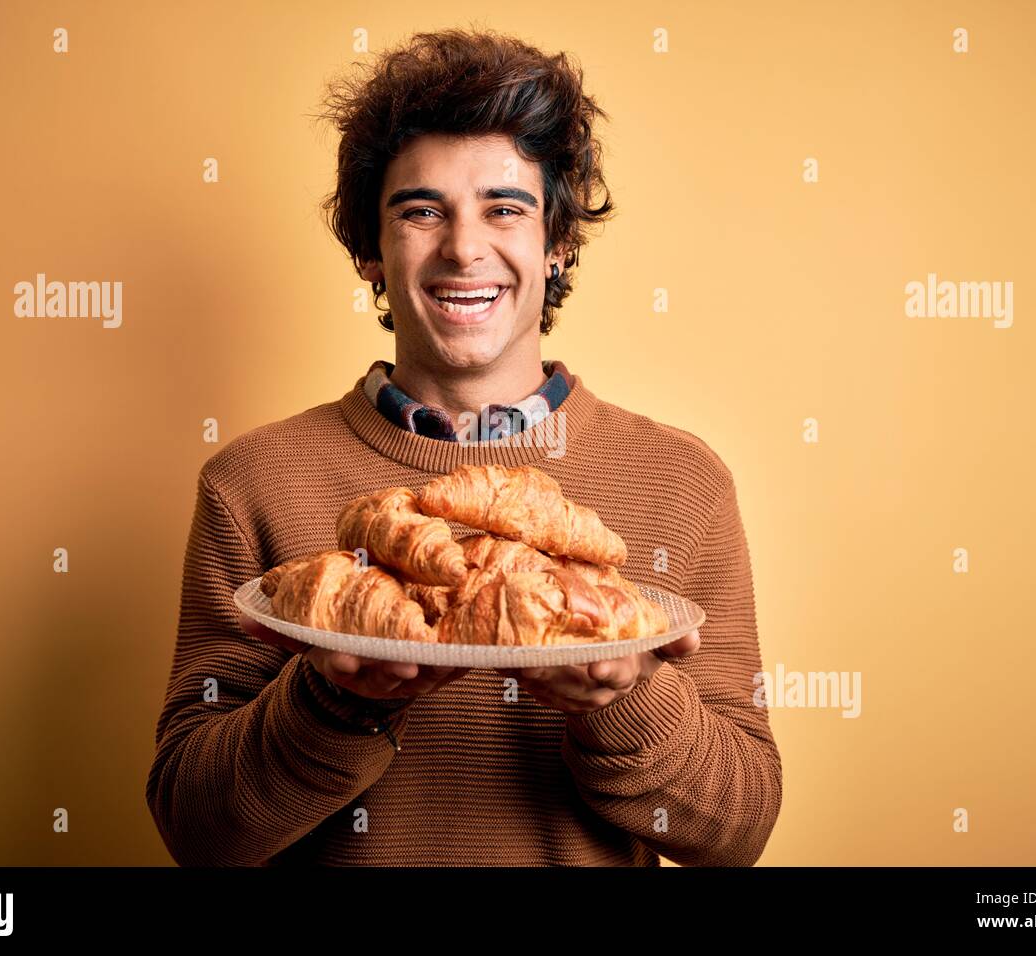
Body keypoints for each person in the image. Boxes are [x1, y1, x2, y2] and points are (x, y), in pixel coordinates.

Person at [145, 26, 782, 866]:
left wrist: (625, 698)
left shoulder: (680, 483)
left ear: (556, 244)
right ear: (372, 252)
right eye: (421, 210)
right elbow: (198, 832)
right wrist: (336, 703)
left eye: (504, 209)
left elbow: (739, 829)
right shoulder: (255, 483)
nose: (463, 248)